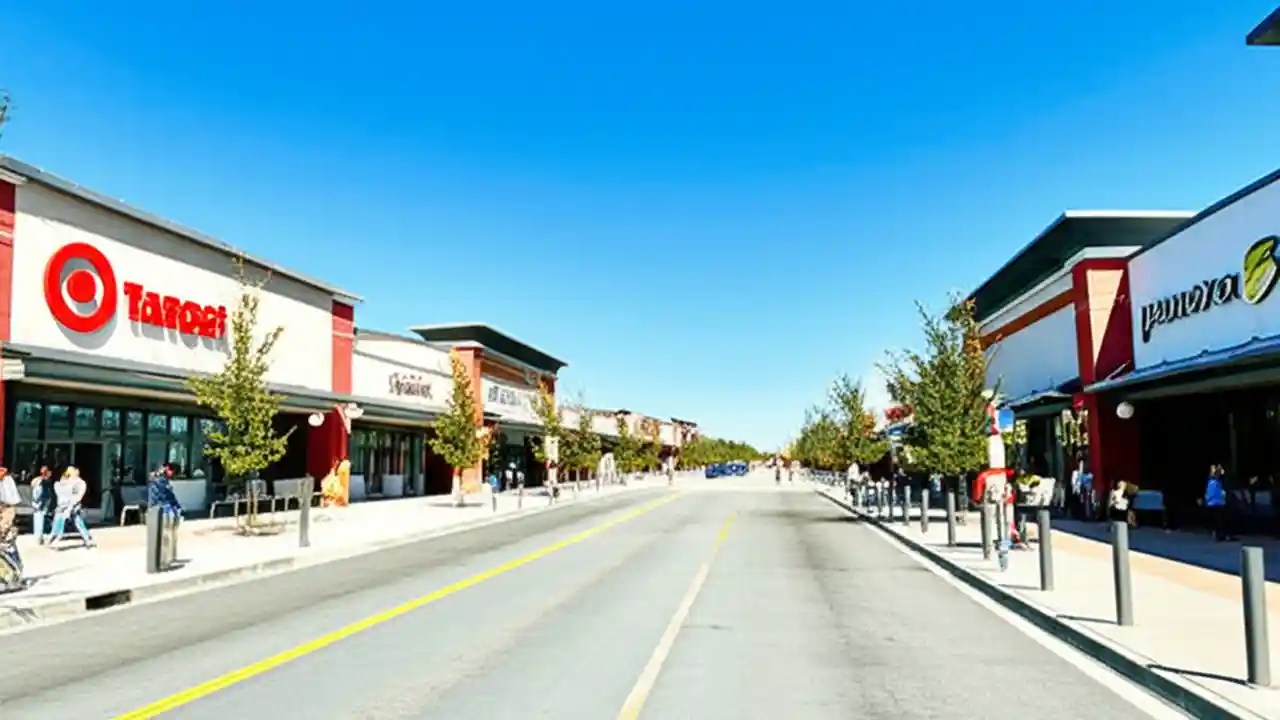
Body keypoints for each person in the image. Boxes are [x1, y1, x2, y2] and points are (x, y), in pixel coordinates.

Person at [49, 466, 95, 548]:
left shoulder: (78, 483)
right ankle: (87, 539)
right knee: (76, 521)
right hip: (68, 505)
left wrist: (71, 505)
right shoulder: (71, 481)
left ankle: (55, 537)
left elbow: (77, 496)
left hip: (71, 505)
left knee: (63, 520)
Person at [0, 467, 23, 582]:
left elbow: (11, 504)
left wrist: (5, 527)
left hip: (6, 517)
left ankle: (16, 572)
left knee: (8, 547)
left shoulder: (7, 480)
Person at [1202, 465, 1230, 542]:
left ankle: (1220, 534)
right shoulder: (1210, 480)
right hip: (1212, 501)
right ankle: (1216, 533)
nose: (1214, 471)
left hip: (1219, 501)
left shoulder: (1219, 479)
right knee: (1214, 519)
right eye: (1213, 469)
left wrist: (1221, 471)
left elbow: (1222, 477)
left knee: (1220, 519)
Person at [30, 465, 54, 544]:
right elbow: (40, 494)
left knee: (38, 519)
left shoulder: (36, 480)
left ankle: (38, 536)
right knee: (40, 519)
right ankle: (39, 537)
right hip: (41, 503)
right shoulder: (43, 482)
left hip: (38, 503)